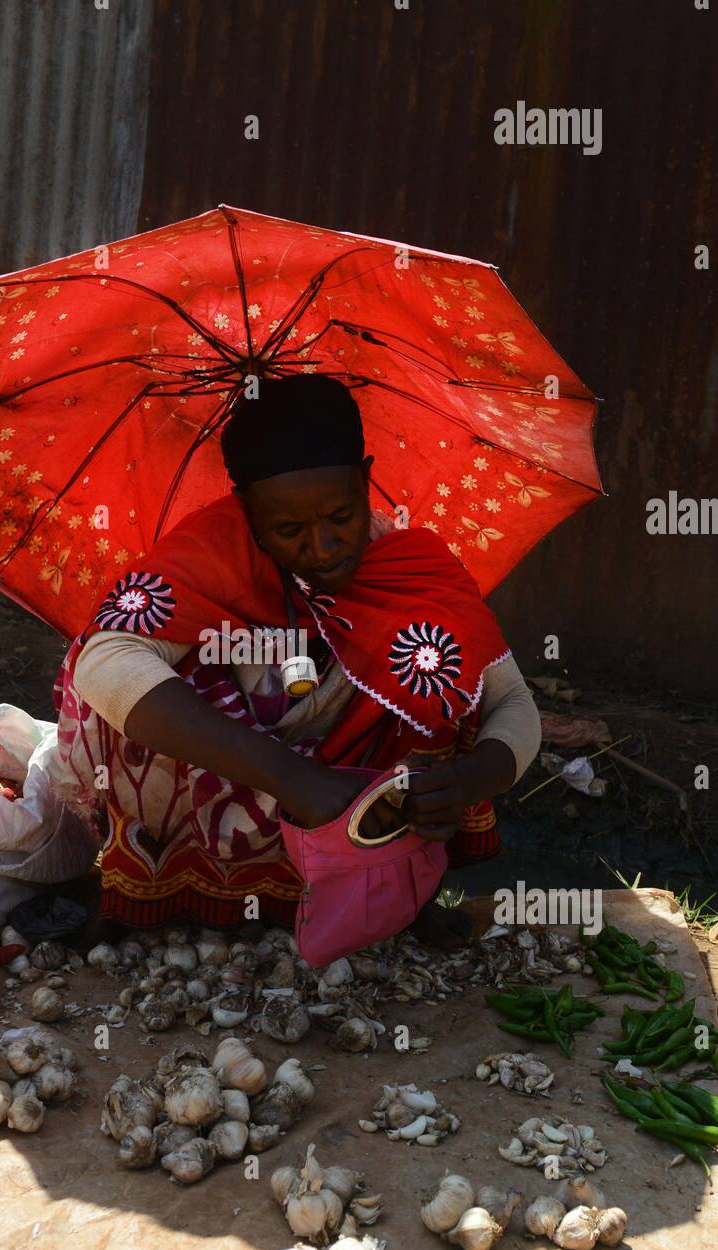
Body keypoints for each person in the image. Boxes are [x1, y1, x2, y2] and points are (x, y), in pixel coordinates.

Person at [53, 374, 541, 948]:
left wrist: (468, 779)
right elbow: (104, 659)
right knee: (136, 680)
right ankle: (157, 888)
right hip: (245, 780)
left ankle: (397, 885)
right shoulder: (212, 553)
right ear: (248, 512)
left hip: (360, 800)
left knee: (438, 666)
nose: (322, 546)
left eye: (341, 516)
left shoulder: (413, 568)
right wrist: (294, 778)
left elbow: (511, 698)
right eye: (288, 529)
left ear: (365, 479)